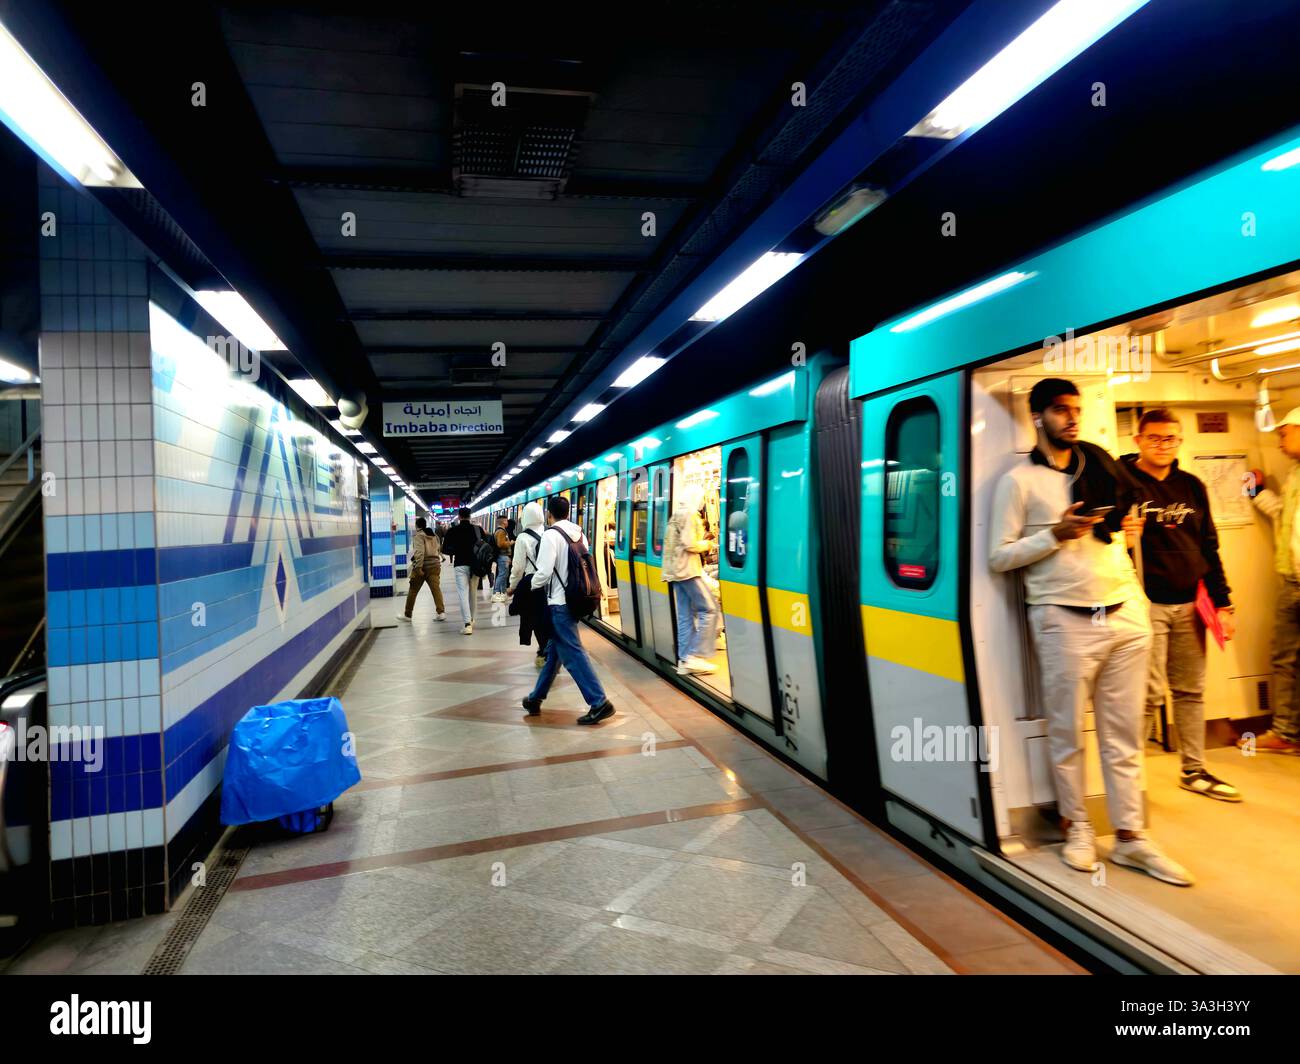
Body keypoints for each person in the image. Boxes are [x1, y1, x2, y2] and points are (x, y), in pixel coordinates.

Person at [989, 377, 1193, 886]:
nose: (1072, 418)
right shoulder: (1018, 481)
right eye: (1060, 410)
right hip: (1062, 616)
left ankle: (1130, 837)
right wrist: (1054, 534)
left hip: (1123, 612)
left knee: (1123, 736)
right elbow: (998, 556)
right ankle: (1076, 826)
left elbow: (1116, 533)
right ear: (1037, 417)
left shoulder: (1099, 464)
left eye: (1076, 409)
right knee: (1067, 733)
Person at [1121, 409, 1239, 800]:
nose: (1163, 445)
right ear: (1138, 440)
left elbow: (1210, 546)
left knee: (1190, 690)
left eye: (1170, 438)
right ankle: (1130, 779)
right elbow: (1099, 541)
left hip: (1192, 604)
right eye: (1154, 438)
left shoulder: (1191, 485)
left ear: (1179, 442)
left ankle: (1194, 769)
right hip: (1145, 605)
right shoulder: (1123, 484)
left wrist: (1224, 604)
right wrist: (1121, 534)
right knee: (1147, 693)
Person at [522, 495, 615, 725]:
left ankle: (599, 702)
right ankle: (535, 698)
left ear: (549, 515)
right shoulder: (579, 532)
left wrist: (529, 586)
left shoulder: (551, 535)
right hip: (576, 599)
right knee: (554, 652)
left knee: (573, 653)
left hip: (558, 603)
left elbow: (543, 573)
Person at [1246, 405, 1300, 753]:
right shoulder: (1295, 474)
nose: (1280, 441)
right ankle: (1286, 732)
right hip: (1291, 582)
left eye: (1284, 433)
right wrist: (1255, 492)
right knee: (1285, 659)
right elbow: (1285, 515)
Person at [662, 483, 720, 675]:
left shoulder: (677, 514)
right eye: (702, 498)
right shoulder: (689, 514)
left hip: (675, 572)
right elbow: (690, 544)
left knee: (685, 616)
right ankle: (697, 655)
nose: (703, 502)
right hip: (687, 570)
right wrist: (708, 544)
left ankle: (684, 660)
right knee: (710, 608)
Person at [507, 501, 550, 667]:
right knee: (547, 619)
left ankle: (544, 653)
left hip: (533, 585)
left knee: (535, 619)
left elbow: (518, 567)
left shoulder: (522, 538)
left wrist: (512, 586)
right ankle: (546, 651)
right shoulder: (549, 534)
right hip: (551, 583)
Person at [440, 508, 484, 634]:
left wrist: (456, 550)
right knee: (473, 593)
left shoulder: (452, 530)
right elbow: (485, 546)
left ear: (459, 517)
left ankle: (467, 625)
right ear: (470, 516)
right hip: (475, 565)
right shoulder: (477, 529)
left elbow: (445, 550)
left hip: (460, 564)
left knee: (463, 594)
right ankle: (472, 619)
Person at [399, 517, 445, 622]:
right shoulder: (434, 535)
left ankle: (408, 615)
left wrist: (418, 567)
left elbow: (420, 553)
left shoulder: (419, 536)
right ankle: (441, 612)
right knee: (435, 589)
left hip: (423, 566)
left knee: (413, 590)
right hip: (435, 565)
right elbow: (438, 549)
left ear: (417, 526)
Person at [491, 515, 514, 602]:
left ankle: (503, 593)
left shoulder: (500, 530)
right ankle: (496, 593)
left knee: (504, 575)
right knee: (502, 575)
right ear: (504, 522)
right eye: (506, 521)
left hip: (503, 556)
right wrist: (510, 543)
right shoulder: (501, 531)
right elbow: (500, 544)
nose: (507, 522)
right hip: (503, 556)